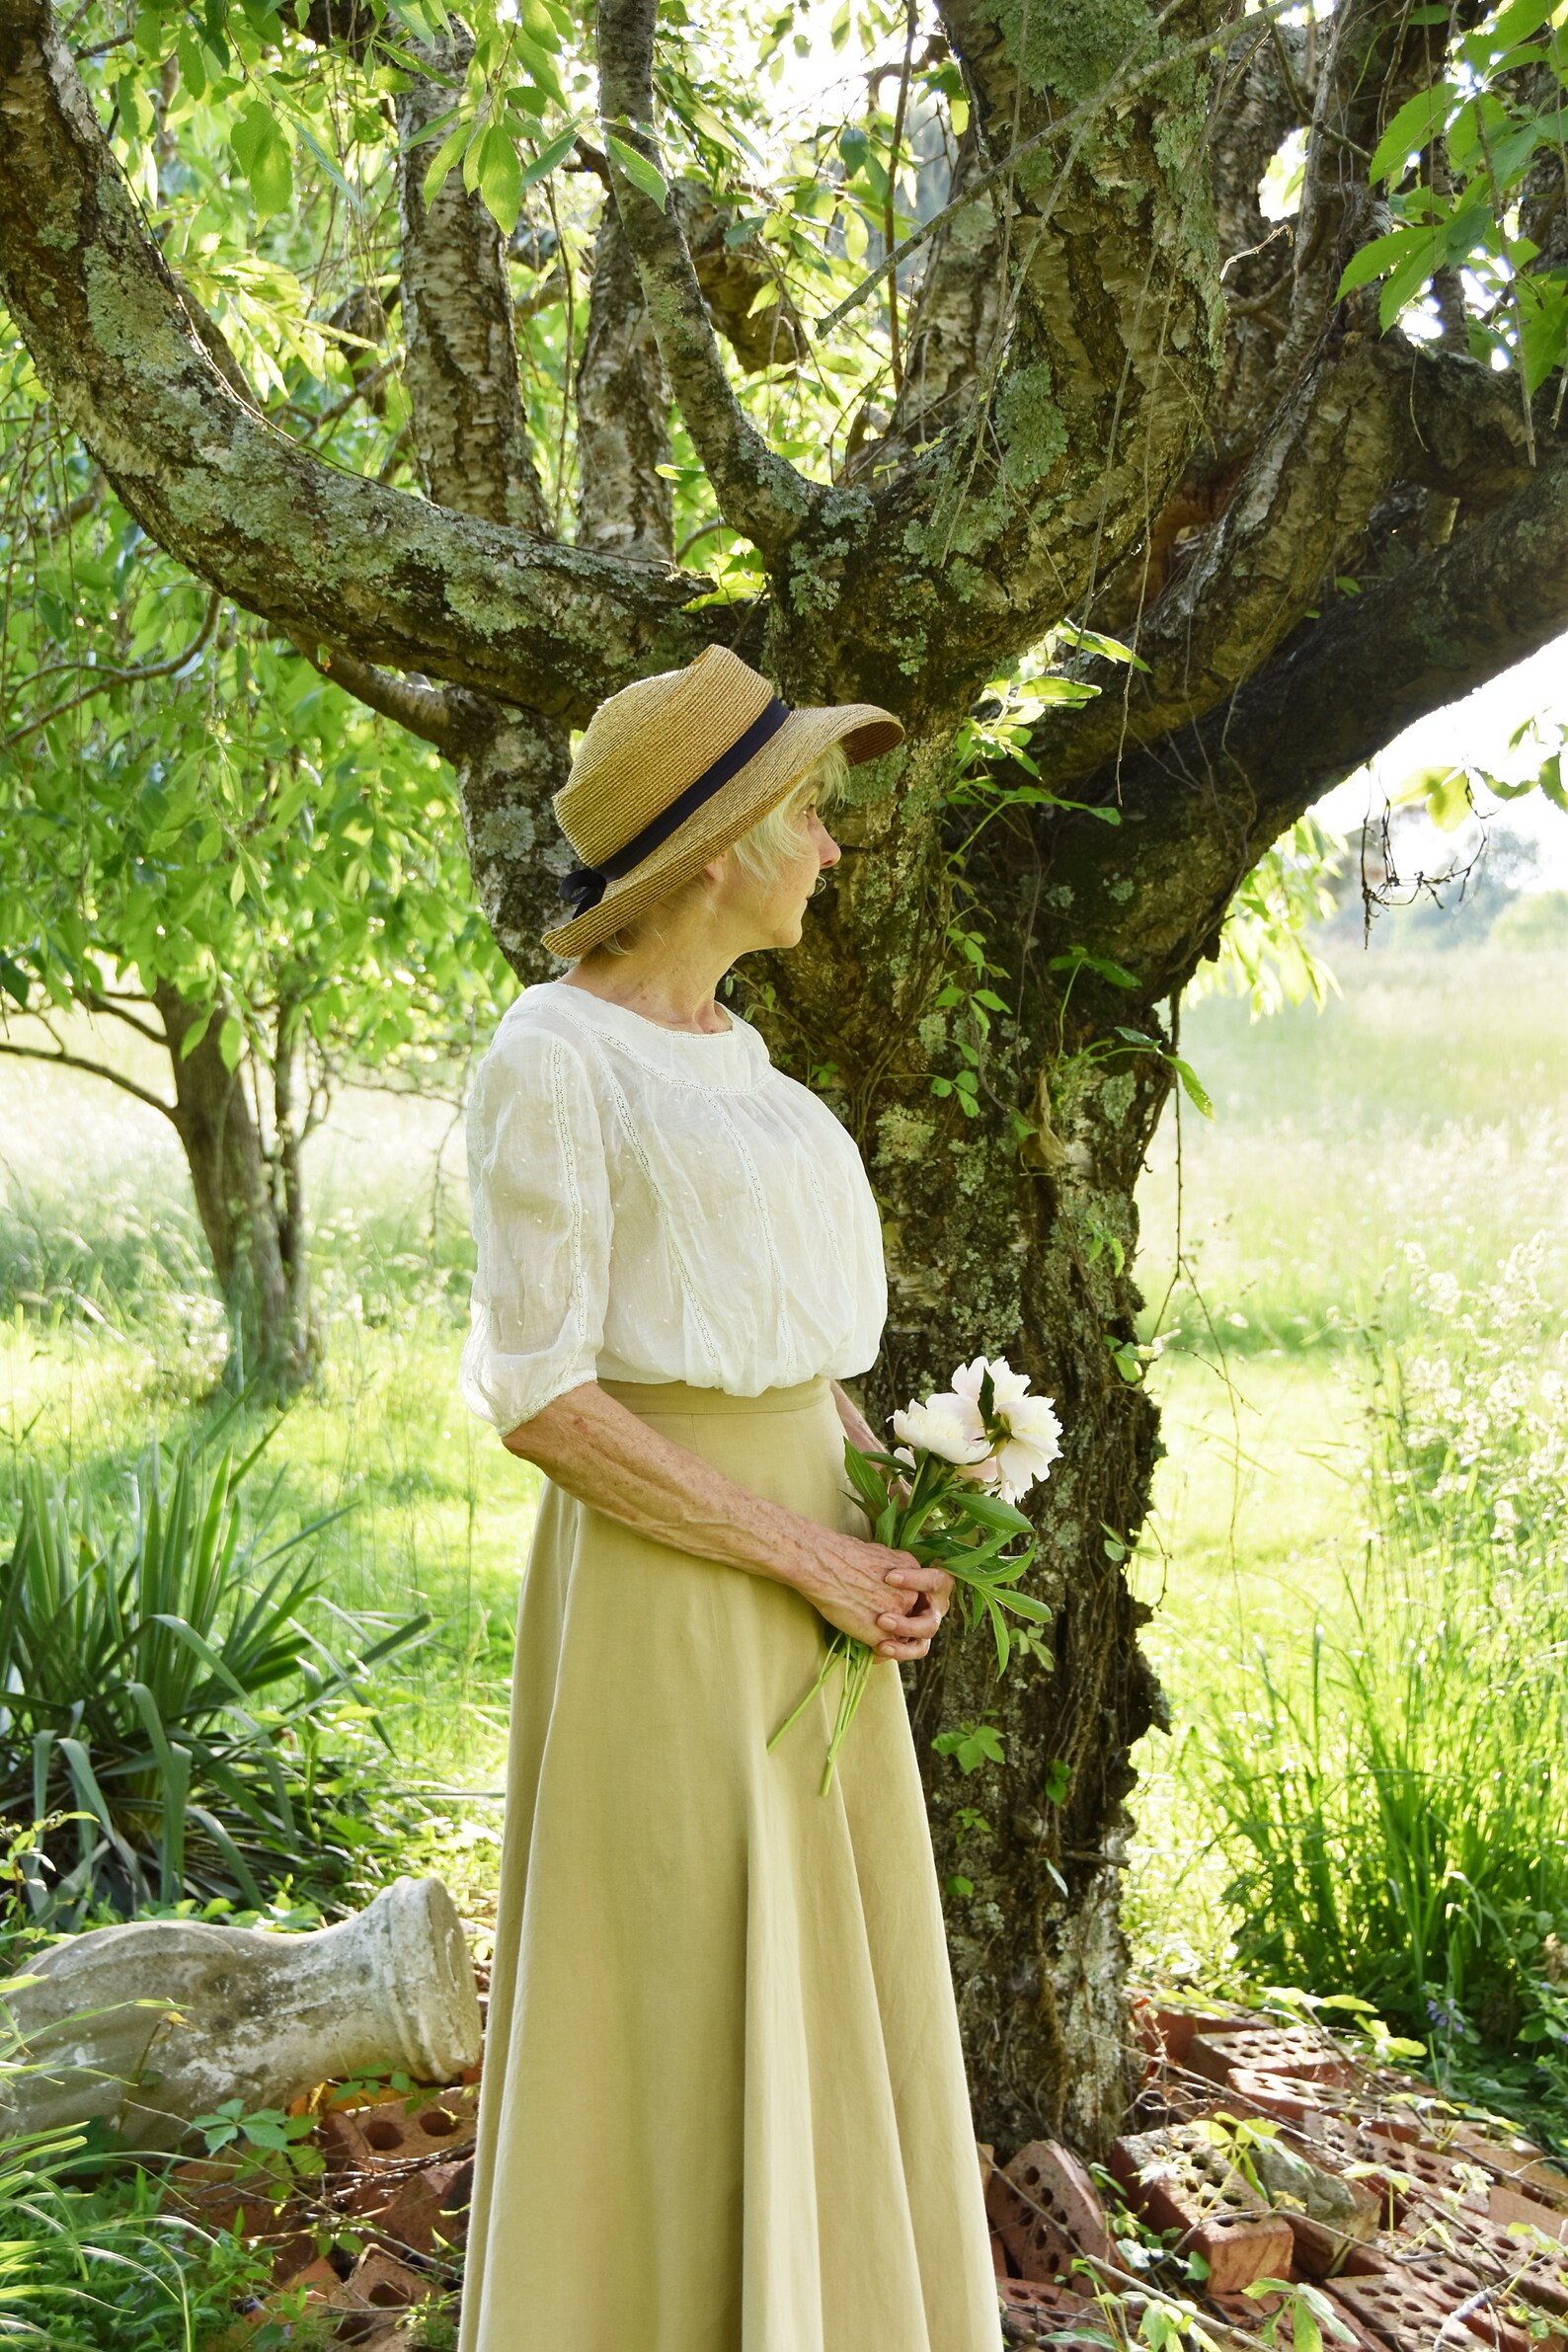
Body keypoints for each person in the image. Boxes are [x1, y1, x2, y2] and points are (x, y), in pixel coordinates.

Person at [456, 643, 1003, 2352]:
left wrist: (895, 1502)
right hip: (674, 1600)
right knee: (683, 1998)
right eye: (808, 815)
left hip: (813, 1583)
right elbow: (546, 1396)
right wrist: (799, 1553)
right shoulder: (553, 1057)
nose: (831, 847)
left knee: (823, 1987)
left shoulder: (745, 1062)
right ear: (718, 852)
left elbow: (776, 1347)